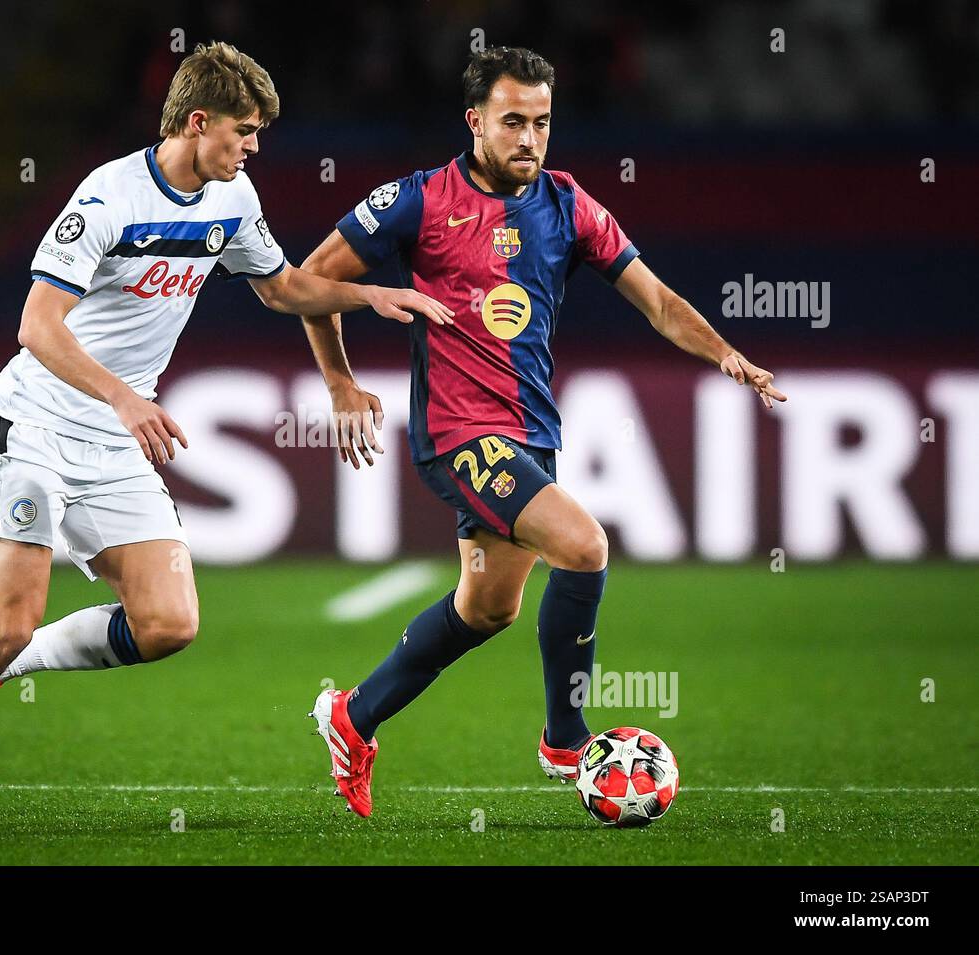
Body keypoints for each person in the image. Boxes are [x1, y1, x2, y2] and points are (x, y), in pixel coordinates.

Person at [0, 41, 453, 828]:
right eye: (244, 130)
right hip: (36, 426)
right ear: (197, 122)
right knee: (5, 620)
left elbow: (280, 288)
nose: (255, 146)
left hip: (112, 441)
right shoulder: (110, 197)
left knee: (168, 623)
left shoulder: (234, 198)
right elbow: (38, 326)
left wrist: (367, 295)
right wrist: (124, 399)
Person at [299, 46, 785, 817]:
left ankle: (352, 717)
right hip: (458, 435)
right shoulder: (417, 201)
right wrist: (339, 382)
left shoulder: (567, 203)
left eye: (543, 122)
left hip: (529, 433)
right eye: (514, 122)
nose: (530, 138)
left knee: (488, 607)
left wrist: (727, 352)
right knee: (585, 545)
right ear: (476, 121)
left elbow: (656, 301)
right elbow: (309, 282)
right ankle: (566, 738)